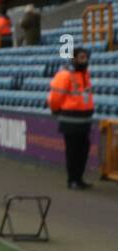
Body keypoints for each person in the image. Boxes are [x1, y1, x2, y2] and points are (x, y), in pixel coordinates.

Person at [47, 47, 95, 189]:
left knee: (83, 150)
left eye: (85, 57)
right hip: (71, 120)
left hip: (84, 121)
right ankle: (72, 180)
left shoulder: (85, 75)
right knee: (73, 151)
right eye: (81, 57)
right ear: (73, 59)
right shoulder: (65, 75)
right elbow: (55, 98)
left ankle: (79, 178)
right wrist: (56, 111)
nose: (84, 60)